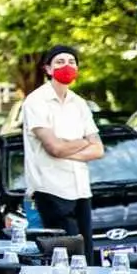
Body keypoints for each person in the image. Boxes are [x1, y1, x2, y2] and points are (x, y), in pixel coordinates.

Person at [21, 44, 103, 259]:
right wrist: (82, 141)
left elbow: (98, 149)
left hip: (81, 190)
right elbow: (54, 147)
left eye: (71, 62)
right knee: (63, 258)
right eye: (59, 62)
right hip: (51, 189)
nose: (66, 66)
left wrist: (67, 148)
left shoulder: (80, 103)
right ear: (47, 69)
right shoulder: (36, 102)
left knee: (86, 256)